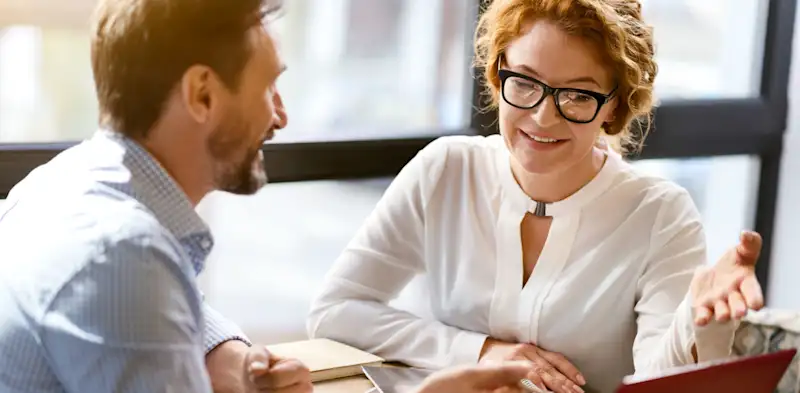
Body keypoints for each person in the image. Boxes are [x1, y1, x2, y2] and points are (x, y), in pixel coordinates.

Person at [0, 1, 550, 392]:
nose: (280, 115)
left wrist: (227, 357)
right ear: (202, 94)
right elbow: (134, 283)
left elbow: (158, 299)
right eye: (268, 87)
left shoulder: (63, 182)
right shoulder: (123, 257)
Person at [307, 1, 766, 393]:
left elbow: (655, 381)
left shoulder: (660, 214)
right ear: (497, 72)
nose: (543, 117)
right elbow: (335, 311)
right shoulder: (446, 170)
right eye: (524, 82)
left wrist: (698, 317)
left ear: (613, 105)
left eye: (578, 95)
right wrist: (483, 352)